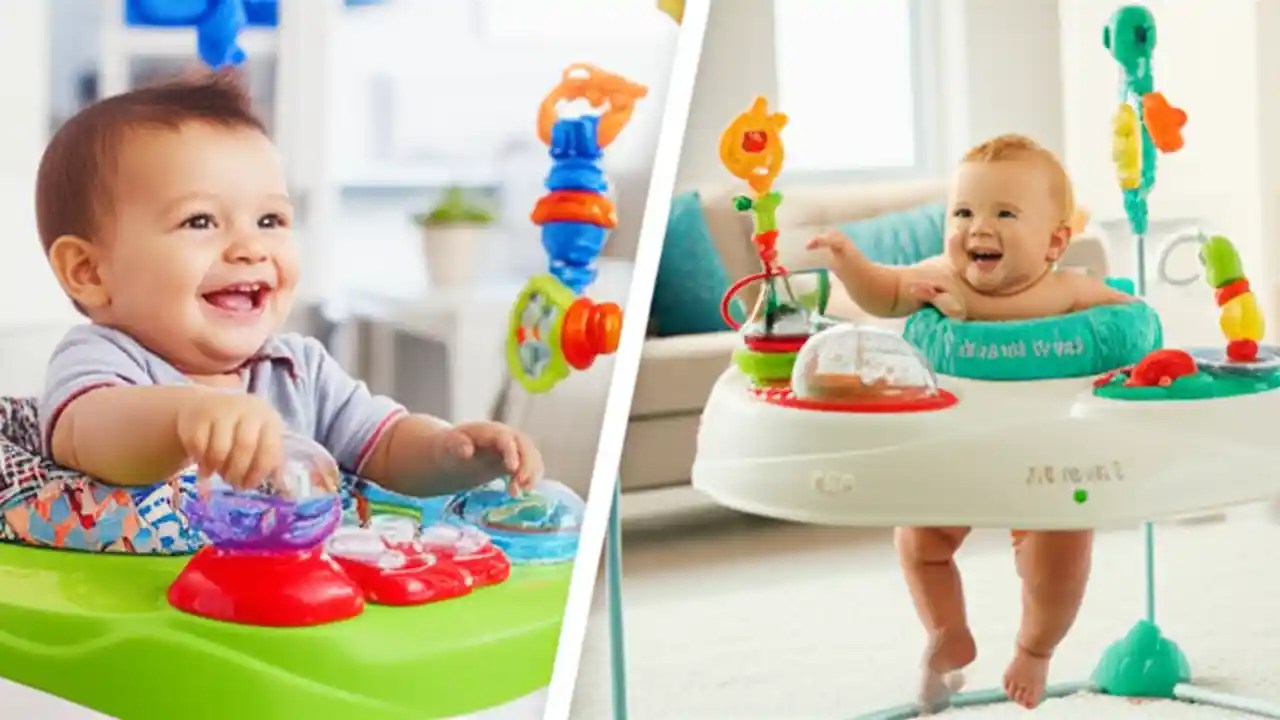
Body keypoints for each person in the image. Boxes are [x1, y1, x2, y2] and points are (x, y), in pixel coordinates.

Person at [35, 72, 541, 504]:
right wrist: (186, 416)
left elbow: (384, 445)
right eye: (200, 221)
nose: (251, 248)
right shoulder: (99, 360)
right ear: (89, 272)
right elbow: (94, 434)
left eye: (270, 219)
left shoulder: (299, 369)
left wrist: (449, 452)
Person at [806, 134, 1133, 710]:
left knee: (1058, 565)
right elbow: (884, 294)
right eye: (963, 212)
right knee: (918, 542)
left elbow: (1131, 320)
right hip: (954, 454)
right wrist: (850, 262)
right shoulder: (944, 280)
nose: (978, 227)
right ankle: (946, 633)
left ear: (1056, 240)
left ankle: (1035, 648)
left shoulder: (1067, 292)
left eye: (1005, 212)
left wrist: (1133, 334)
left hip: (1045, 465)